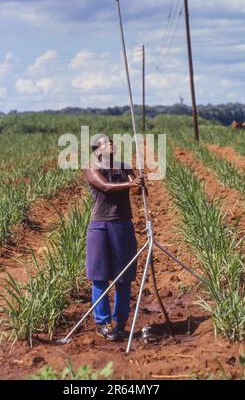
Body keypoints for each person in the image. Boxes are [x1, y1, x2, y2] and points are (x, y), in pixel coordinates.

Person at [85, 134, 144, 341]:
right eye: (105, 143)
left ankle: (121, 322)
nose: (111, 145)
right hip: (100, 225)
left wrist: (140, 185)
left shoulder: (125, 167)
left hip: (123, 223)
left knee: (124, 276)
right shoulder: (93, 168)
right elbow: (106, 187)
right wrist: (132, 184)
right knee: (99, 276)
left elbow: (136, 190)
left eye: (112, 142)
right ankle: (102, 323)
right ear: (97, 150)